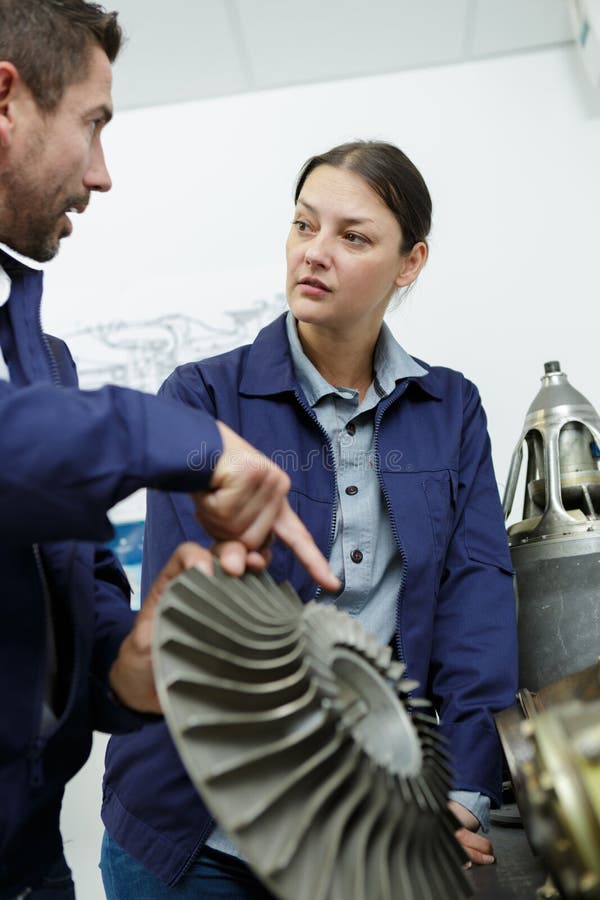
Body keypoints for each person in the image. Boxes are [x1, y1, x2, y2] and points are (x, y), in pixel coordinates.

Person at [101, 140, 518, 897]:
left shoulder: (452, 409)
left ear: (410, 263)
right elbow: (217, 630)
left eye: (353, 237)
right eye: (303, 225)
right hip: (196, 835)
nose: (315, 253)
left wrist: (458, 797)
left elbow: (475, 607)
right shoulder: (200, 399)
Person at [0, 3, 338, 898]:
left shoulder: (44, 364)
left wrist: (133, 665)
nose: (102, 175)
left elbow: (75, 585)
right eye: (94, 126)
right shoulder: (158, 409)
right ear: (6, 104)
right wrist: (197, 443)